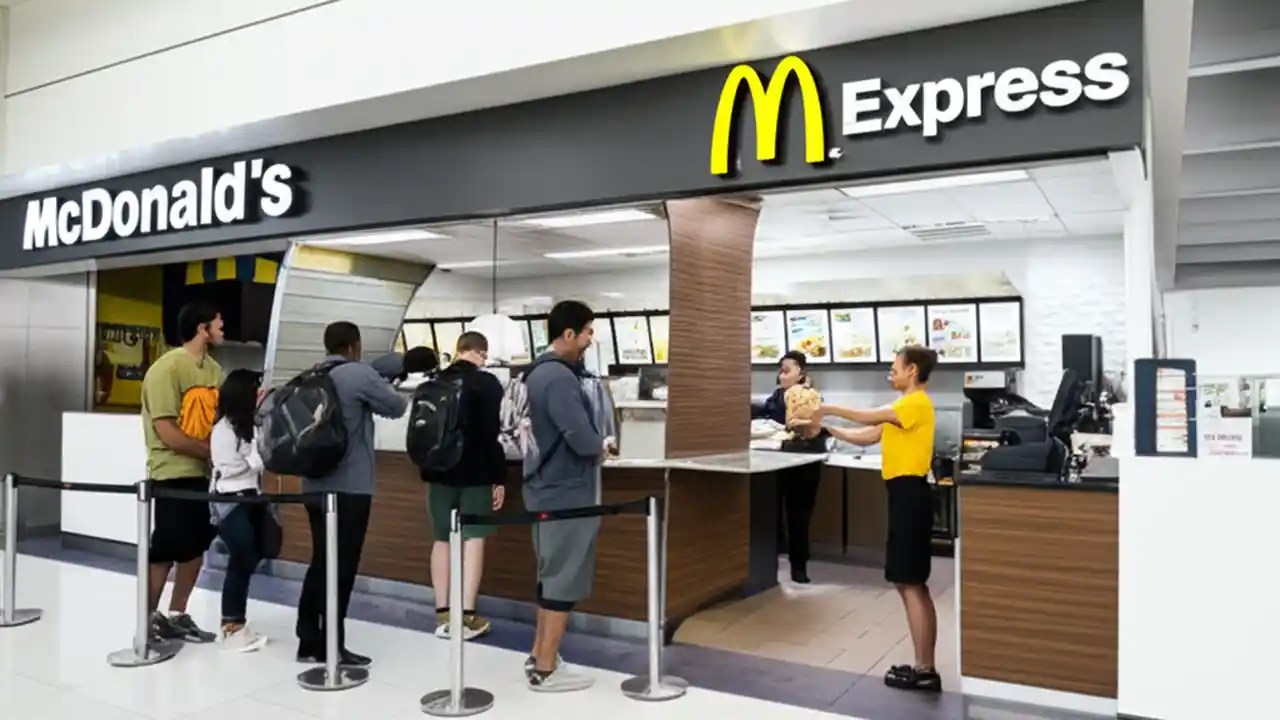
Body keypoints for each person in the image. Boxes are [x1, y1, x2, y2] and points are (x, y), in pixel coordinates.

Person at [806, 345, 940, 692]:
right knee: (907, 582)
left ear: (912, 370)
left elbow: (867, 418)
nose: (890, 373)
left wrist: (826, 409)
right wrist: (829, 431)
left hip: (911, 496)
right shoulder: (901, 410)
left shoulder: (913, 403)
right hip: (903, 496)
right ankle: (924, 665)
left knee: (911, 583)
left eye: (894, 367)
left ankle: (925, 669)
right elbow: (869, 435)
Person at [295, 321, 408, 667]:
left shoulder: (310, 376)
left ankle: (307, 639)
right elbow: (396, 407)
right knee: (342, 568)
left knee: (320, 561)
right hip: (351, 488)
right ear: (355, 346)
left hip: (313, 486)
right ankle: (333, 645)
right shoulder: (359, 375)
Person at [522, 300, 607, 692]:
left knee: (549, 575)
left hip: (542, 488)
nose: (592, 339)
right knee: (563, 579)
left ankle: (542, 654)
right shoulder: (558, 378)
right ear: (569, 333)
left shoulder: (535, 373)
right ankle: (545, 669)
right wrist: (601, 446)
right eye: (588, 331)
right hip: (566, 491)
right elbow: (581, 436)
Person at [141, 301, 225, 643]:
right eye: (219, 323)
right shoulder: (166, 369)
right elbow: (168, 433)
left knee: (195, 546)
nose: (223, 329)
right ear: (202, 328)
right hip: (171, 474)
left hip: (203, 475)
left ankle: (176, 615)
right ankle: (145, 619)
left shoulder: (214, 370)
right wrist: (212, 453)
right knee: (165, 547)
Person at [423, 332, 506, 640]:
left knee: (441, 539)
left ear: (458, 351)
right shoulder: (487, 384)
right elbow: (491, 435)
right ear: (482, 354)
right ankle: (468, 614)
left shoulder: (431, 383)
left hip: (437, 472)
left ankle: (443, 614)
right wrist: (499, 477)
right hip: (475, 473)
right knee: (474, 539)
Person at [209, 369, 269, 652]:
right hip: (231, 502)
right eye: (256, 389)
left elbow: (258, 459)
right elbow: (229, 467)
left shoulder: (249, 426)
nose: (260, 394)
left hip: (251, 497)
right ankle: (231, 625)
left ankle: (236, 622)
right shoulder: (224, 429)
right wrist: (253, 461)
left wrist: (253, 460)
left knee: (249, 557)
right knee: (241, 557)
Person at [752, 351, 823, 584]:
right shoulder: (777, 396)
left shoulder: (806, 397)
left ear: (801, 372)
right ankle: (774, 562)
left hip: (802, 463)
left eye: (786, 370)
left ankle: (799, 566)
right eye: (780, 371)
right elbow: (764, 411)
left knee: (799, 517)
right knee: (774, 514)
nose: (781, 376)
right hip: (778, 461)